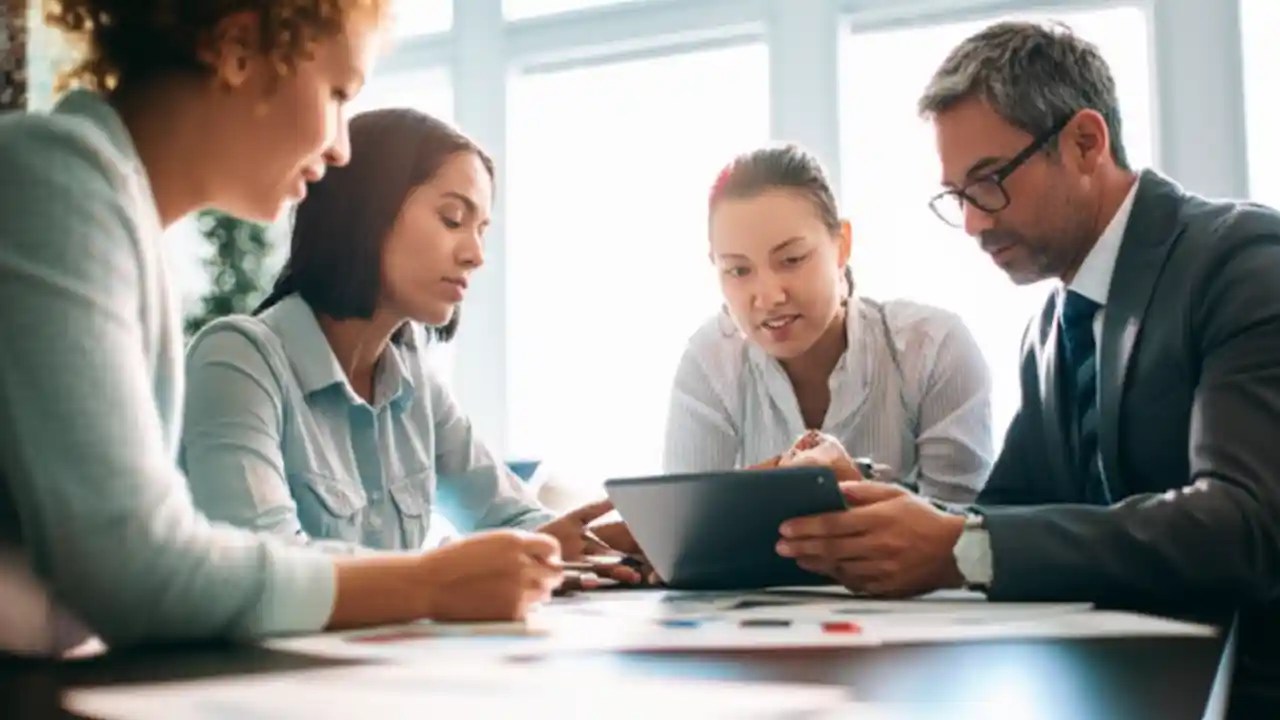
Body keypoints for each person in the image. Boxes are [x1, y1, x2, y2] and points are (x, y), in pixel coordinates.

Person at [0, 0, 561, 655]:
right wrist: (427, 584)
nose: (341, 146)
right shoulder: (53, 182)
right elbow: (134, 567)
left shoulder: (113, 214)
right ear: (239, 50)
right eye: (337, 93)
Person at [771, 21, 1280, 715]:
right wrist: (863, 501)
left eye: (989, 183)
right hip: (1136, 684)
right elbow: (1007, 514)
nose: (975, 224)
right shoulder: (1053, 327)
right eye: (958, 197)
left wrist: (960, 547)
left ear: (1085, 143)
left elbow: (1243, 524)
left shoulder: (1242, 263)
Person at [180, 107, 642, 577]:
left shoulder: (412, 381)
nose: (475, 255)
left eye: (481, 230)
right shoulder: (237, 360)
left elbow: (511, 518)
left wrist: (622, 542)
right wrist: (444, 575)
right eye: (453, 218)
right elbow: (266, 566)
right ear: (366, 210)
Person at [664, 144, 994, 503]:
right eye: (738, 270)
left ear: (842, 244)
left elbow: (963, 540)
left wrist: (852, 487)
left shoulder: (933, 348)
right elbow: (687, 528)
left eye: (791, 259)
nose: (769, 296)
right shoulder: (711, 359)